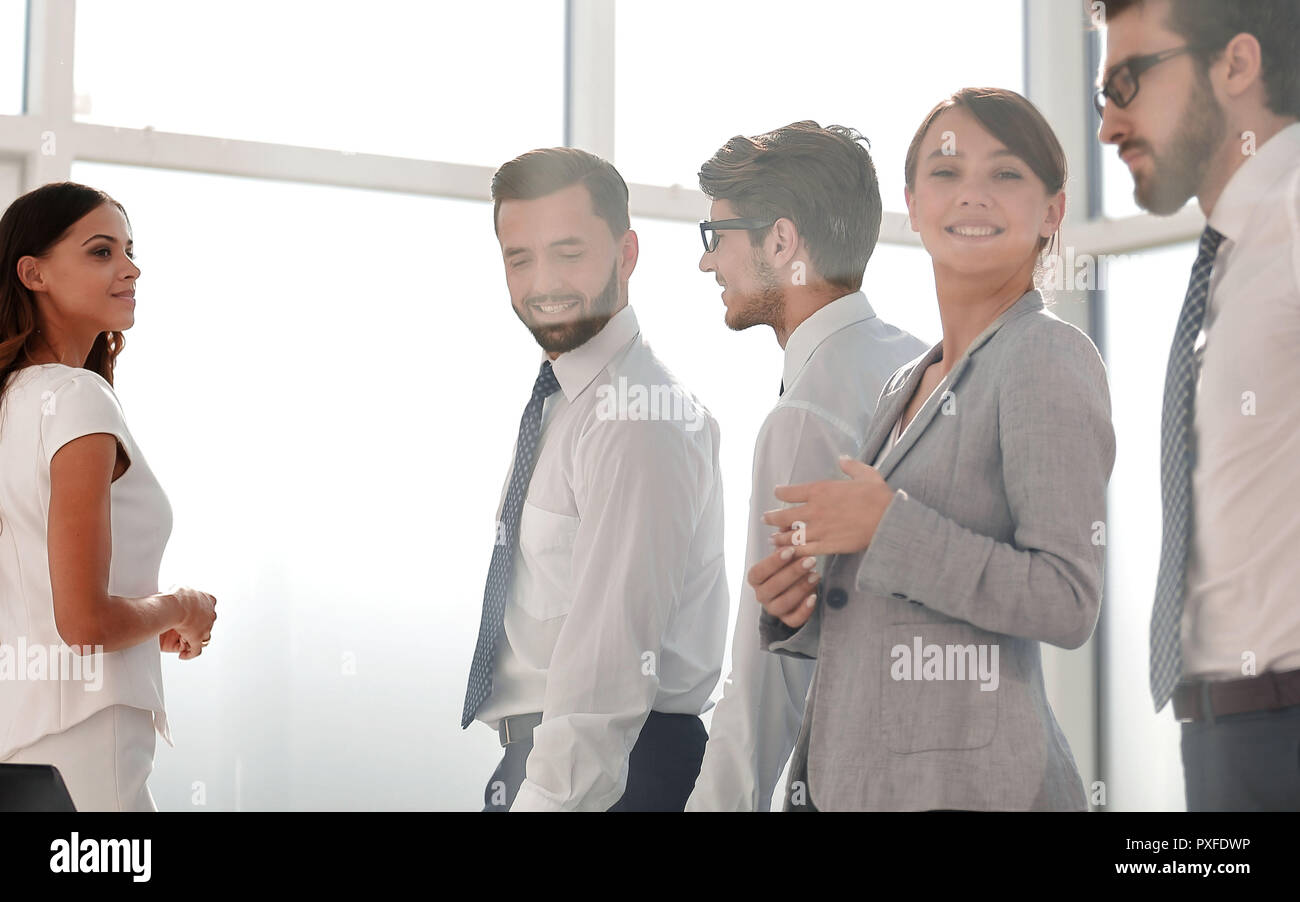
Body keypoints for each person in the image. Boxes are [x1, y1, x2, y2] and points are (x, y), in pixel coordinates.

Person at [750, 88, 1115, 810]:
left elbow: (1067, 599)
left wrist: (886, 527)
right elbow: (901, 603)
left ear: (1052, 213)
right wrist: (802, 607)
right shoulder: (905, 383)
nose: (972, 195)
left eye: (1005, 174)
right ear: (913, 207)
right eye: (947, 174)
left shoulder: (1047, 357)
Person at [462, 147, 728, 811]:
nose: (541, 279)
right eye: (519, 257)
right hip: (555, 761)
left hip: (613, 773)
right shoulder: (568, 403)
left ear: (626, 254)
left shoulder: (637, 418)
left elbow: (609, 673)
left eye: (568, 251)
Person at [1096, 0, 1300, 811]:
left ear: (1237, 65)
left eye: (1128, 81)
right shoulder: (1231, 255)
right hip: (1221, 736)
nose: (1109, 125)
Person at [686, 122, 924, 811]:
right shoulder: (924, 365)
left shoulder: (807, 417)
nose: (707, 264)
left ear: (781, 241)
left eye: (717, 237)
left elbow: (768, 679)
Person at [0, 181, 217, 811]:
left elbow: (36, 601)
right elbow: (85, 623)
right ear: (33, 272)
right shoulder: (76, 399)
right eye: (101, 252)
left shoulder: (13, 403)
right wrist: (179, 605)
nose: (130, 268)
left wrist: (147, 622)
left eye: (128, 250)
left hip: (23, 739)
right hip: (85, 748)